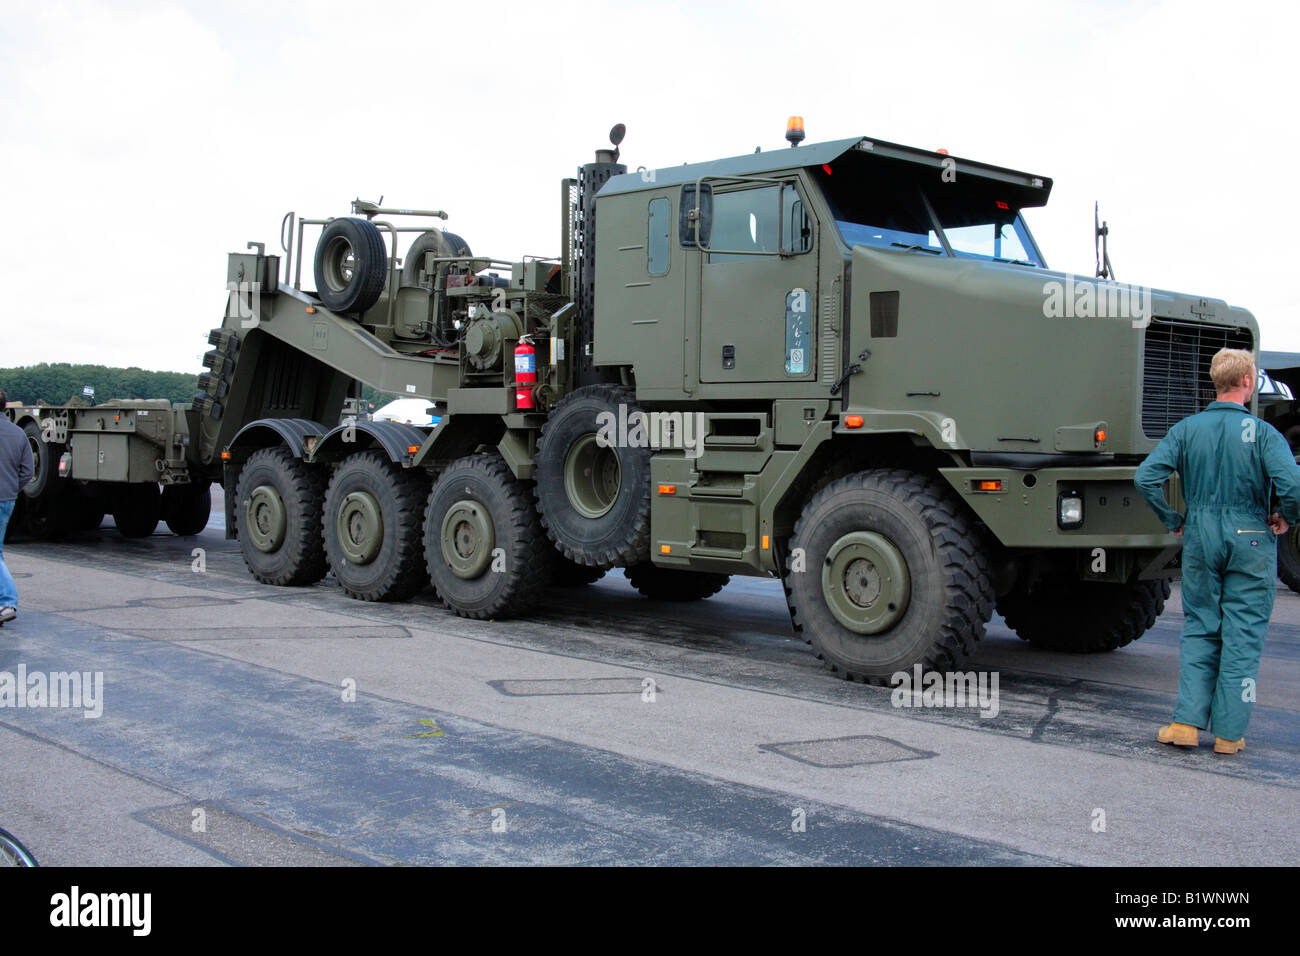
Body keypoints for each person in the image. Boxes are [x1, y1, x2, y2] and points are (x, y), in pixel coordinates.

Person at [1135, 348, 1300, 754]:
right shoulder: (1262, 434)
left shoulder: (1187, 430)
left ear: (1217, 381)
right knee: (1242, 633)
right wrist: (1285, 517)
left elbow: (1145, 478)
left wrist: (1171, 516)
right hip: (1251, 535)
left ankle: (1186, 724)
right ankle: (1229, 734)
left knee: (1200, 628)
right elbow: (1292, 485)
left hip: (1201, 534)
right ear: (1247, 382)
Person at [0, 387, 35, 624]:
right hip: (7, 499)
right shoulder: (18, 434)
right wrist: (11, 487)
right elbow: (28, 472)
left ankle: (8, 601)